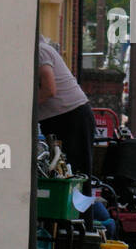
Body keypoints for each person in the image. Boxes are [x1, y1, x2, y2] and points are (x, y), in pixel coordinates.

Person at [36, 35, 95, 176]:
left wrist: (22, 108)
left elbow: (49, 89)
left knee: (75, 170)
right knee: (59, 171)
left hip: (70, 116)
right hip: (59, 116)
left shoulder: (39, 51)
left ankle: (78, 197)